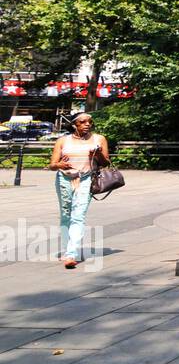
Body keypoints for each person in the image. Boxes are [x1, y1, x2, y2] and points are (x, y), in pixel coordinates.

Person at [47, 112, 110, 269]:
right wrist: (60, 165)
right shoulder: (63, 141)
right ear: (75, 125)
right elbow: (52, 164)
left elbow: (105, 162)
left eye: (89, 122)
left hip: (86, 179)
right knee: (66, 215)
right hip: (64, 179)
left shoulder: (99, 139)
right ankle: (66, 247)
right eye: (83, 122)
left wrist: (97, 154)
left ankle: (71, 254)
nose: (87, 124)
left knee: (78, 215)